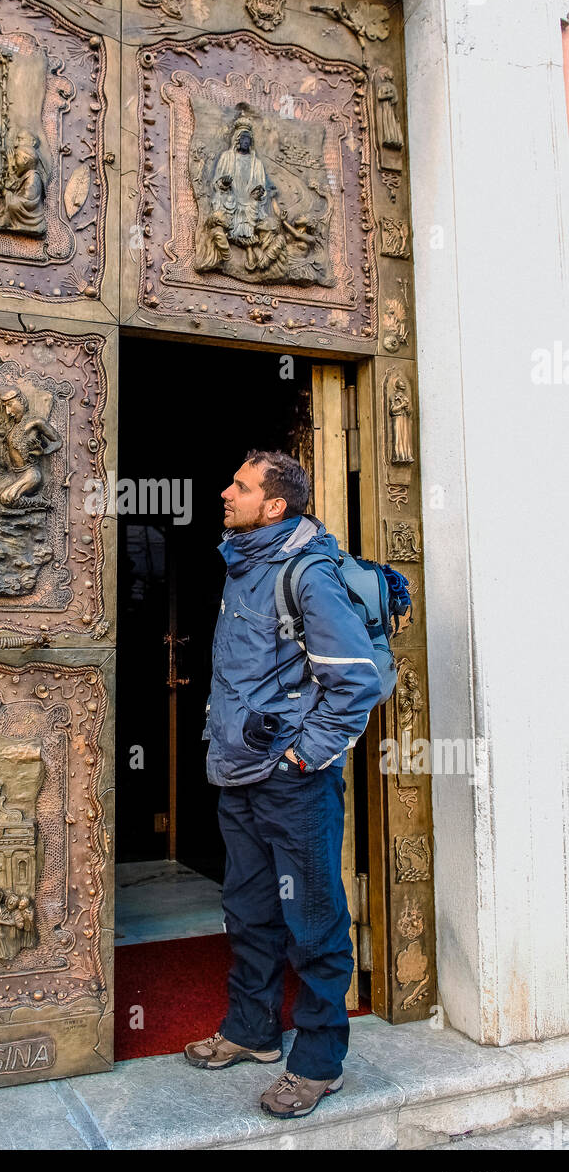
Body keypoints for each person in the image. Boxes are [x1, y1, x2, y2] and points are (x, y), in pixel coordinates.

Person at [184, 449, 383, 1120]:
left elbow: (354, 679)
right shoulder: (243, 563)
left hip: (292, 783)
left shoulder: (305, 573)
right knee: (247, 911)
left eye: (238, 486)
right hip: (237, 774)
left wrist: (303, 757)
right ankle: (252, 1030)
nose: (224, 491)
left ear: (274, 505)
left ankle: (319, 1061)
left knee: (314, 922)